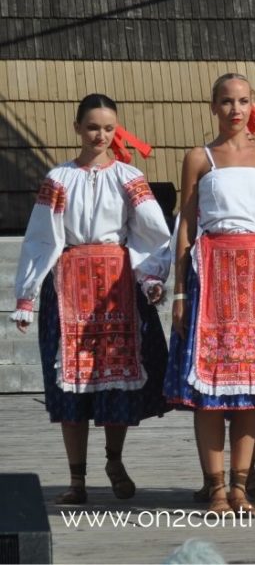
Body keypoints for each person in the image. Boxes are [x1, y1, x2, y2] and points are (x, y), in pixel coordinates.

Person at [10, 93, 172, 504]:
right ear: (77, 128)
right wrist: (27, 294)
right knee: (71, 385)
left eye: (108, 128)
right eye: (93, 127)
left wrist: (150, 275)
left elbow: (149, 230)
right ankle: (76, 478)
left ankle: (114, 460)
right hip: (69, 285)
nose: (100, 135)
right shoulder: (59, 179)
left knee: (116, 382)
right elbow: (42, 237)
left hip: (117, 286)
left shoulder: (129, 177)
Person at [165, 73, 255, 515]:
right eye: (226, 102)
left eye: (243, 101)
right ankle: (217, 487)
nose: (236, 110)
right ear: (213, 107)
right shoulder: (199, 158)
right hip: (212, 275)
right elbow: (186, 224)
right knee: (209, 390)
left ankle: (242, 485)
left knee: (254, 386)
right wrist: (180, 292)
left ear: (253, 107)